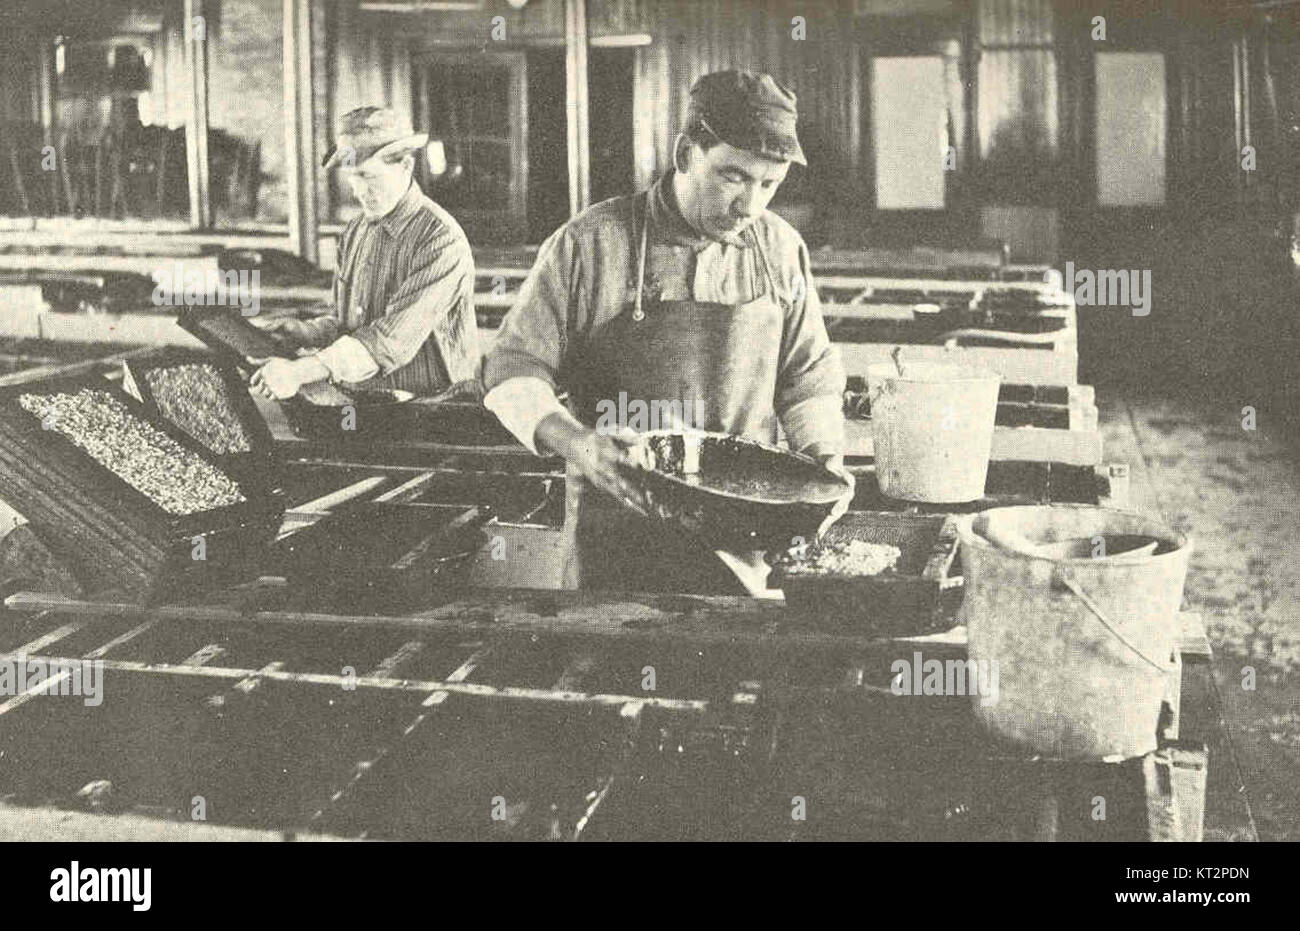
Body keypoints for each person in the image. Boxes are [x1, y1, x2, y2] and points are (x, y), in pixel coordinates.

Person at [482, 70, 850, 594]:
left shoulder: (781, 248)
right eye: (733, 177)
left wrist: (824, 464)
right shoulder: (592, 243)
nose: (751, 205)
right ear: (684, 155)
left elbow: (806, 377)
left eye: (769, 184)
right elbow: (510, 369)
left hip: (745, 529)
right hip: (621, 526)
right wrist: (581, 444)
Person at [250, 107, 480, 401]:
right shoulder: (355, 231)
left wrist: (299, 372)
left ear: (406, 167)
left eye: (368, 176)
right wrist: (304, 333)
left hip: (435, 408)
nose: (358, 191)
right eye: (352, 178)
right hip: (366, 399)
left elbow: (389, 340)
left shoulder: (440, 240)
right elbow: (347, 324)